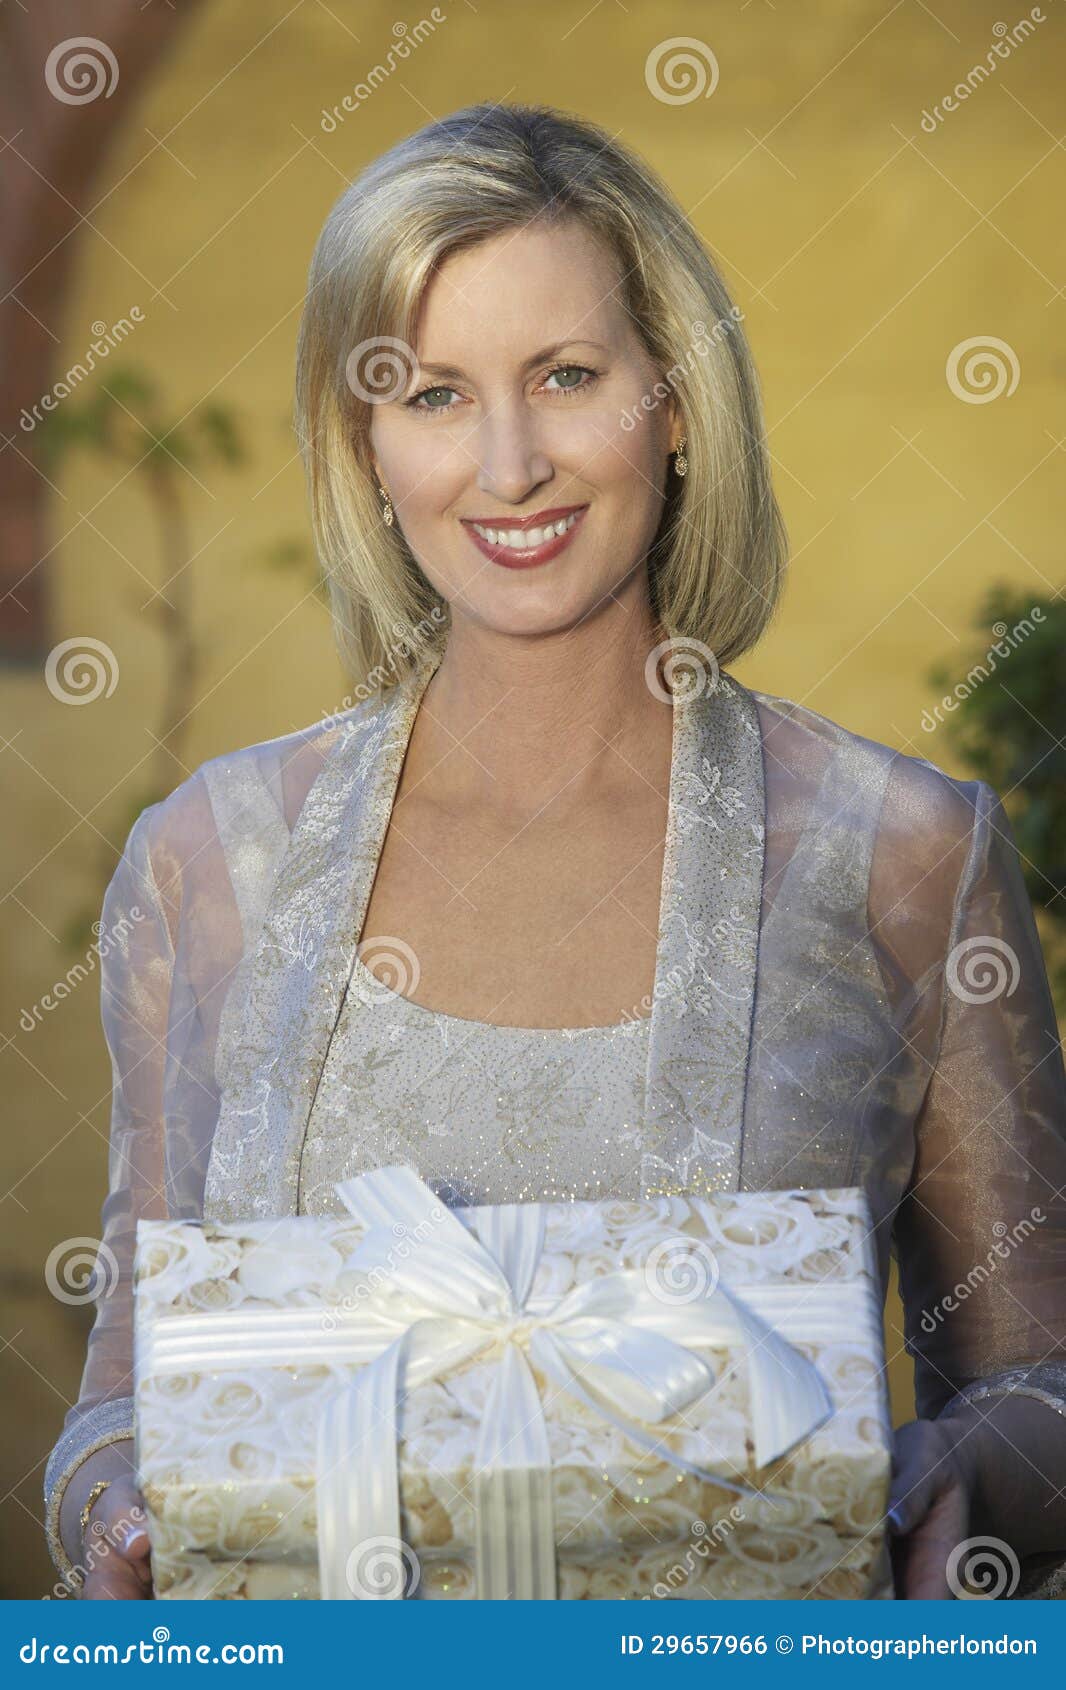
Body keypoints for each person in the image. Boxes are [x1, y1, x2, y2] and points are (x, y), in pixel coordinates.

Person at [43, 102, 1066, 1603]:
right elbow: (119, 1407)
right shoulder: (213, 859)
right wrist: (113, 1509)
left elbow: (1038, 1384)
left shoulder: (901, 853)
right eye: (436, 393)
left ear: (673, 399)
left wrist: (955, 1464)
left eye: (566, 376)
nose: (508, 463)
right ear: (364, 439)